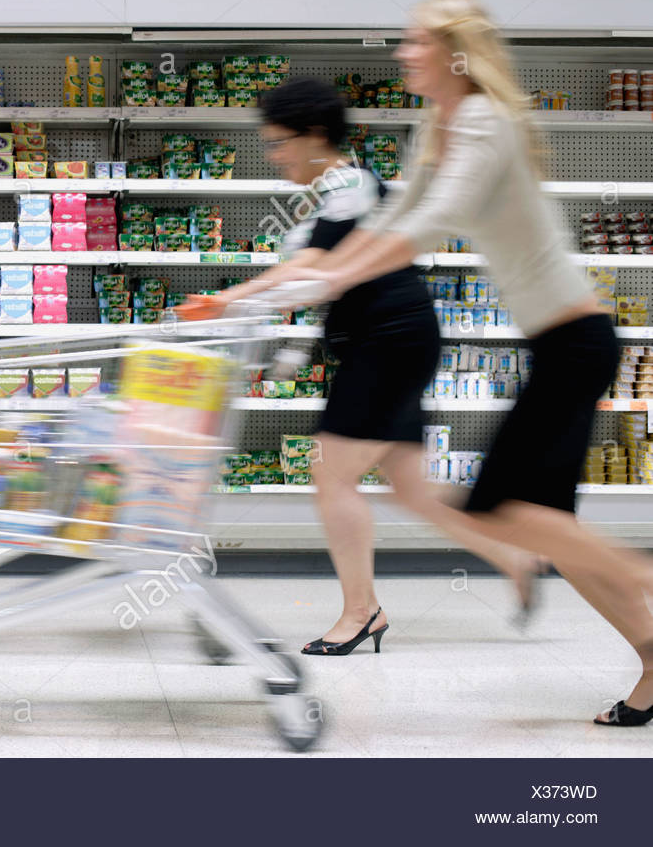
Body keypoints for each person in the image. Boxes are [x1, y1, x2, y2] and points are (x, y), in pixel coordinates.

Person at [266, 0, 653, 726]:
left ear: (454, 54)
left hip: (578, 342)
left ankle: (645, 577)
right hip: (557, 344)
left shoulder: (482, 121)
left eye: (415, 42)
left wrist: (332, 277)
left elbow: (431, 222)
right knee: (549, 532)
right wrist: (310, 272)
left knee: (503, 508)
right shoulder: (435, 125)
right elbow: (392, 217)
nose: (402, 53)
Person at [180, 77, 541, 657]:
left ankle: (361, 612)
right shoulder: (327, 197)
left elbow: (316, 266)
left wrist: (227, 299)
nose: (274, 156)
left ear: (315, 135)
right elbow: (309, 283)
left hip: (387, 340)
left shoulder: (349, 183)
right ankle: (513, 554)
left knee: (330, 473)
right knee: (412, 490)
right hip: (388, 339)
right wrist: (258, 319)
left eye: (279, 143)